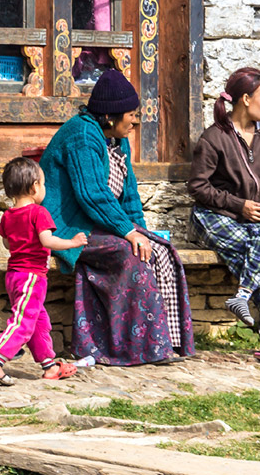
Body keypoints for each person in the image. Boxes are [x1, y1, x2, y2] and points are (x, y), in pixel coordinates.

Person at [40, 69, 195, 365]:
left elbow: (129, 195)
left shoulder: (118, 139)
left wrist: (141, 232)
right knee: (128, 253)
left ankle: (168, 342)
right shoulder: (82, 135)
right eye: (131, 115)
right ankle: (136, 347)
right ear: (111, 116)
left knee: (161, 251)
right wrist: (128, 233)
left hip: (98, 222)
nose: (135, 121)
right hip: (67, 226)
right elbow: (92, 195)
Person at [187, 67, 260, 363]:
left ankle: (243, 296)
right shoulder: (214, 138)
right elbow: (197, 187)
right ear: (246, 99)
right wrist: (241, 205)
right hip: (214, 217)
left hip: (254, 218)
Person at [0, 157, 87, 386]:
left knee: (38, 321)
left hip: (14, 276)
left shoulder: (8, 216)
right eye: (44, 184)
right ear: (34, 187)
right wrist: (72, 242)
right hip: (31, 277)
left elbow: (8, 244)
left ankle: (49, 366)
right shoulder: (39, 213)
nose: (44, 189)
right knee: (22, 322)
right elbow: (47, 240)